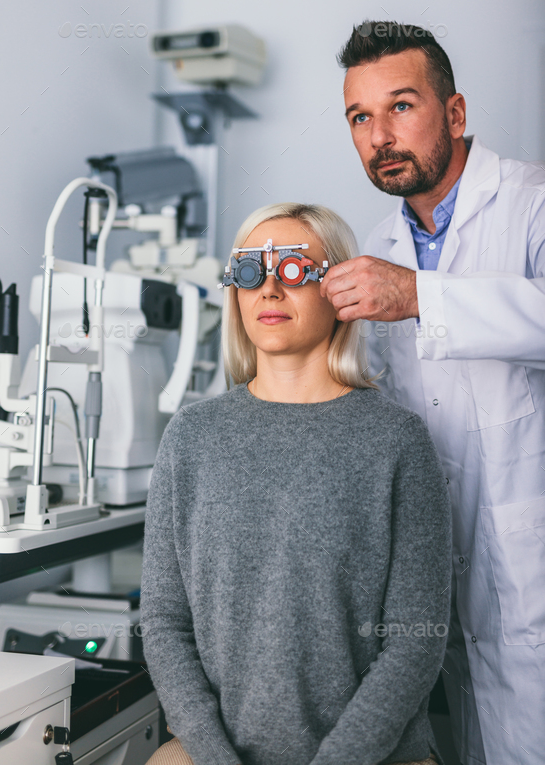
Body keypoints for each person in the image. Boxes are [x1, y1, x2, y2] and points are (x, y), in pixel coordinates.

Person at [140, 202, 451, 765]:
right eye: (252, 272)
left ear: (339, 292)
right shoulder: (192, 436)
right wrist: (212, 755)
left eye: (291, 270)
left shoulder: (396, 442)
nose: (269, 291)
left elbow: (415, 641)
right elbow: (164, 622)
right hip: (218, 752)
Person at [321, 21, 545, 765]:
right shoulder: (374, 248)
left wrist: (425, 297)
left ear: (454, 113)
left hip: (527, 547)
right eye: (360, 117)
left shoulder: (532, 202)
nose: (380, 135)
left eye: (402, 107)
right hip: (428, 558)